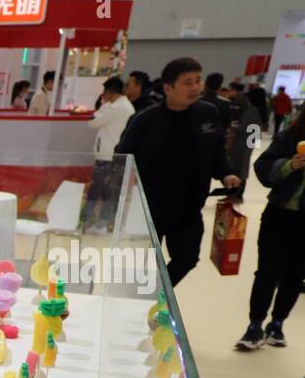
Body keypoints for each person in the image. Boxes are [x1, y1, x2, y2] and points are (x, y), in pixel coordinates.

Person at [115, 57, 241, 287]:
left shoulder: (208, 114)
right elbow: (122, 156)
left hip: (190, 205)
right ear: (167, 88)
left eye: (198, 81)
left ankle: (159, 295)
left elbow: (216, 152)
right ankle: (145, 300)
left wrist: (226, 173)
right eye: (187, 82)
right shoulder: (145, 120)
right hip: (150, 206)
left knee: (187, 258)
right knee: (144, 259)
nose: (195, 88)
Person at [234, 109, 305, 350]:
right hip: (279, 215)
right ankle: (254, 326)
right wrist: (290, 165)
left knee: (295, 276)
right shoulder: (289, 137)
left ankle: (277, 324)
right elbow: (263, 169)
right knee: (267, 272)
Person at [82, 76, 133, 233]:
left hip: (108, 155)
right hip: (111, 154)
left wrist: (100, 108)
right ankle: (101, 223)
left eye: (105, 92)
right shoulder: (122, 105)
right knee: (109, 190)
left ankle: (93, 222)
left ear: (111, 92)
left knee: (100, 190)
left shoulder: (116, 107)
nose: (103, 96)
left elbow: (93, 121)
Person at [229, 86, 269, 193]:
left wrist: (232, 126)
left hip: (245, 139)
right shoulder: (261, 109)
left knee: (239, 165)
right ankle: (238, 191)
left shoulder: (253, 110)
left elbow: (244, 127)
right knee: (243, 164)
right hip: (252, 138)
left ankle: (236, 191)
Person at [201, 72, 235, 137]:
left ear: (205, 85)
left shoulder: (197, 101)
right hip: (218, 137)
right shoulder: (226, 103)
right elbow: (227, 123)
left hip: (199, 137)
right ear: (219, 87)